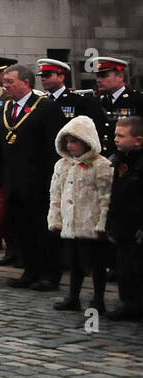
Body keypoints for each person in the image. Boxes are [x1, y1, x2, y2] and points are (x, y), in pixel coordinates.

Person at [0, 64, 64, 291]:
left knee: (42, 230)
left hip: (39, 181)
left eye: (10, 82)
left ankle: (49, 274)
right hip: (14, 181)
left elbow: (53, 148)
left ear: (26, 83)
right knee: (22, 229)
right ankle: (30, 270)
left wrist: (51, 181)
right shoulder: (6, 108)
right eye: (4, 82)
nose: (4, 86)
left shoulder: (45, 107)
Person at [47, 115, 113, 315]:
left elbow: (106, 196)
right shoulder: (62, 165)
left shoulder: (101, 165)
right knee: (74, 262)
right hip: (70, 224)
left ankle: (98, 299)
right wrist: (55, 218)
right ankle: (73, 297)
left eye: (74, 141)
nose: (70, 145)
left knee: (96, 264)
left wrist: (103, 223)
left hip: (91, 224)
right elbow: (55, 194)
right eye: (67, 141)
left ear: (87, 141)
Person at [105, 116, 142, 320]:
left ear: (138, 140)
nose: (116, 139)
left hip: (137, 221)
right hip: (122, 221)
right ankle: (127, 302)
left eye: (121, 135)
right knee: (124, 265)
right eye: (115, 135)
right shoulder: (120, 159)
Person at [95, 56, 140, 157]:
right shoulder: (99, 101)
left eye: (104, 76)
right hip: (103, 157)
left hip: (130, 159)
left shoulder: (137, 99)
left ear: (120, 76)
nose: (98, 80)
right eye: (98, 76)